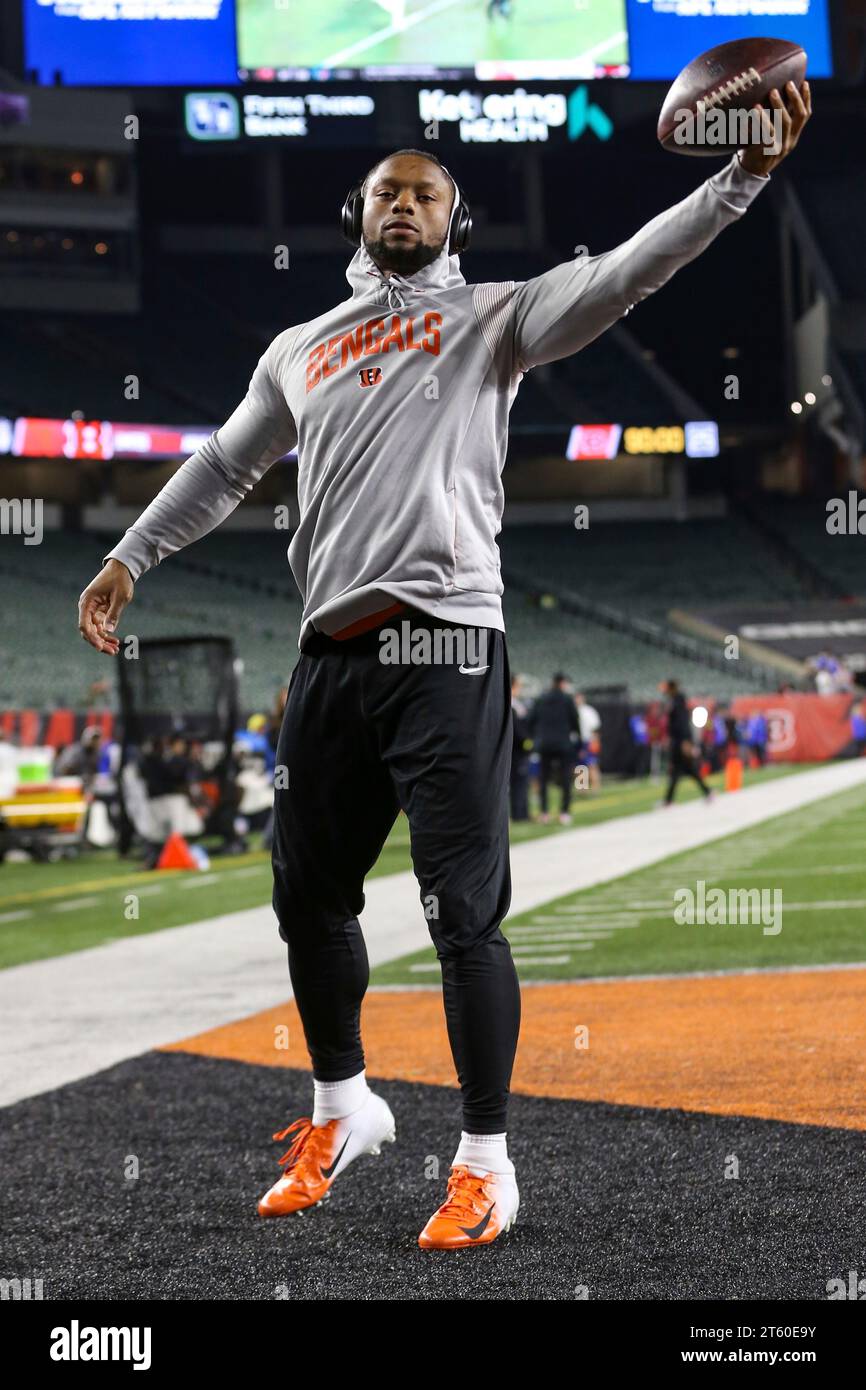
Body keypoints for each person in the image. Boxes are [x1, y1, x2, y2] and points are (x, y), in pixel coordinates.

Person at [76, 101, 811, 1249]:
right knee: (303, 897)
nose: (404, 202)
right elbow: (223, 464)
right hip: (327, 654)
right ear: (356, 217)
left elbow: (624, 273)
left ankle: (482, 1163)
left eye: (425, 190)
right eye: (386, 191)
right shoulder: (300, 346)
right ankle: (342, 1107)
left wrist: (738, 178)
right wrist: (129, 556)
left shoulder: (491, 318)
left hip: (448, 641)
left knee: (461, 912)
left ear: (454, 218)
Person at [528, 673, 580, 824]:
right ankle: (564, 812)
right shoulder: (567, 699)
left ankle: (544, 812)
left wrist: (536, 737)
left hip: (544, 744)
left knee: (543, 779)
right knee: (565, 779)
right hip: (563, 744)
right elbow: (575, 722)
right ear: (562, 683)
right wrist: (578, 740)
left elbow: (531, 721)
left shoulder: (541, 699)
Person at [660, 679, 713, 806]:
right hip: (678, 741)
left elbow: (682, 723)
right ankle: (707, 792)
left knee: (680, 770)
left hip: (680, 742)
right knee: (687, 770)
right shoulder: (675, 700)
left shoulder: (678, 701)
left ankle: (669, 800)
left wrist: (685, 741)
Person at [509, 673, 531, 822]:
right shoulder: (512, 705)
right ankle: (519, 814)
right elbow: (518, 732)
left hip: (515, 750)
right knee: (519, 782)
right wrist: (527, 743)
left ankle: (520, 813)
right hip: (516, 751)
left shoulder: (516, 704)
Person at [574, 692, 601, 791]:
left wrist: (595, 741)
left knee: (591, 764)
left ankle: (595, 787)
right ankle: (582, 789)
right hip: (577, 741)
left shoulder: (589, 711)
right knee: (580, 766)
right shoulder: (573, 710)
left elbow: (595, 728)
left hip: (588, 740)